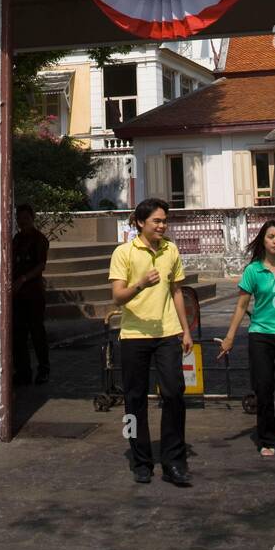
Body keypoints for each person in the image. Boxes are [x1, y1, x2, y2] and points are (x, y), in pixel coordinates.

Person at [108, 198, 194, 486]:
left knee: (174, 394)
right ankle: (141, 460)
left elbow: (177, 291)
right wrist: (141, 283)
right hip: (134, 335)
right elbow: (117, 296)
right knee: (134, 400)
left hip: (168, 333)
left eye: (164, 220)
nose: (162, 225)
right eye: (156, 220)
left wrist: (186, 330)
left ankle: (174, 461)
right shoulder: (124, 252)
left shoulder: (171, 250)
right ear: (140, 223)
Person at [217, 219, 275, 456]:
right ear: (263, 241)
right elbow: (241, 306)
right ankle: (267, 437)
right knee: (264, 387)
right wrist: (229, 338)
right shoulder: (253, 271)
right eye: (271, 237)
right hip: (260, 335)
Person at [12, 203, 50, 386]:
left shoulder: (39, 239)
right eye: (19, 219)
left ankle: (43, 369)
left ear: (31, 218)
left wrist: (24, 278)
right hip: (17, 295)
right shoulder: (16, 240)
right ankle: (23, 371)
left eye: (25, 218)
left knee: (37, 332)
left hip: (33, 292)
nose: (22, 222)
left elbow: (41, 265)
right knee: (18, 334)